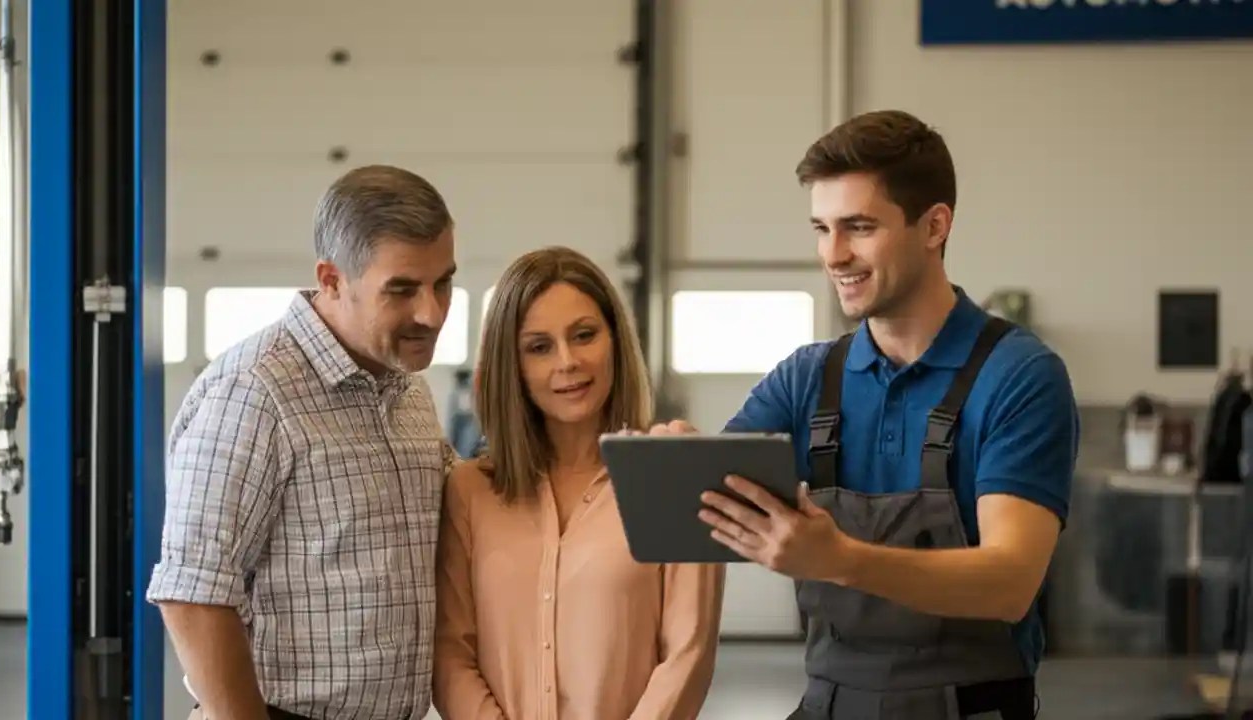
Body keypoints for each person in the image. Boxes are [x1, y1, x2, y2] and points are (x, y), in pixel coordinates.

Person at [690, 110, 1079, 719]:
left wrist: (839, 560)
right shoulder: (806, 379)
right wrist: (671, 456)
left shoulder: (1019, 376)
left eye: (859, 226)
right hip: (827, 703)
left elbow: (1010, 582)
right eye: (821, 227)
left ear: (935, 225)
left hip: (969, 708)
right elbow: (698, 504)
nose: (834, 254)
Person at [146, 165, 459, 720]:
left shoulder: (406, 387)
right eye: (403, 289)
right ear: (332, 279)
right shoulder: (253, 392)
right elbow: (192, 593)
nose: (431, 313)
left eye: (443, 283)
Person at [432, 246, 726, 720]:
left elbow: (687, 655)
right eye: (539, 347)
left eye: (584, 335)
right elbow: (451, 654)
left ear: (615, 340)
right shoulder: (469, 491)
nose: (567, 361)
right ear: (514, 366)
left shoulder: (676, 476)